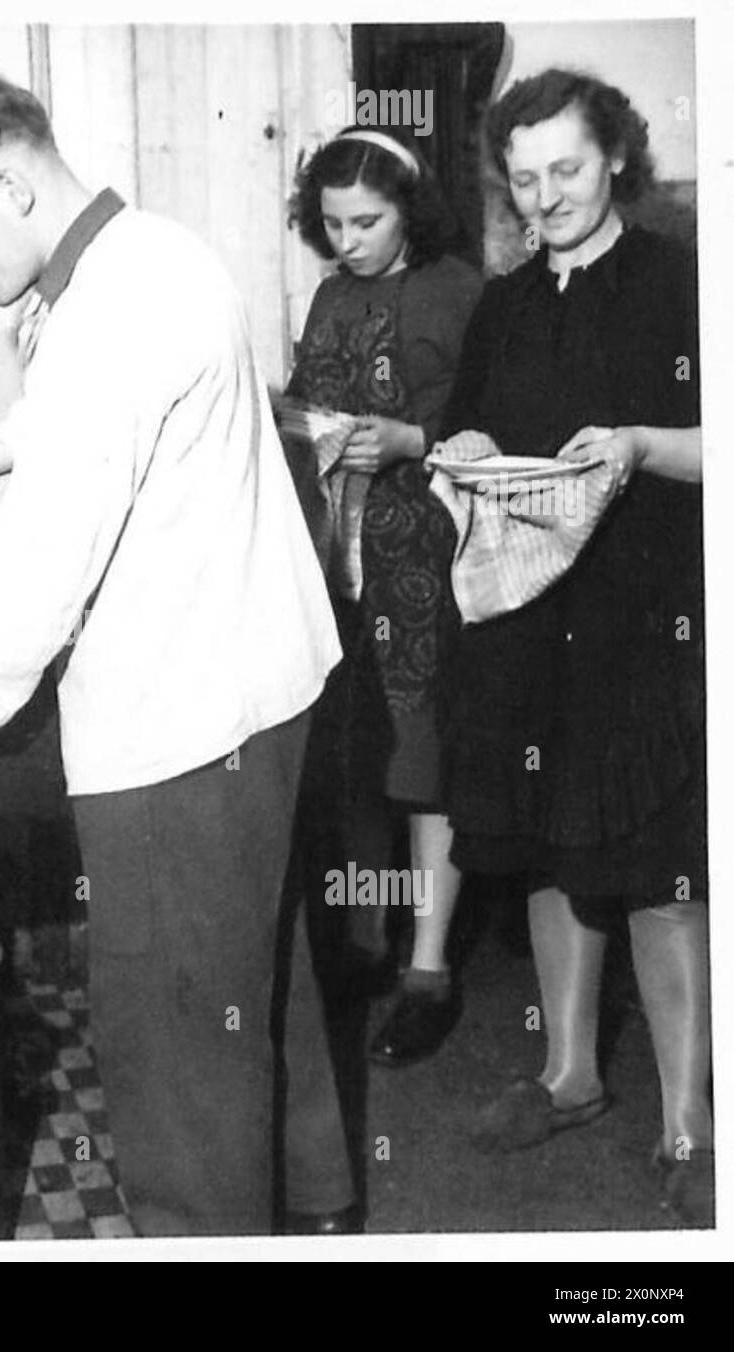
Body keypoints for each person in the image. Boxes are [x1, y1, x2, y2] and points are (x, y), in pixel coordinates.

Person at [0, 68, 348, 1236]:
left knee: (176, 1032)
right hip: (261, 688)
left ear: (7, 184)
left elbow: (49, 544)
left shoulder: (108, 307)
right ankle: (320, 1206)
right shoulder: (148, 255)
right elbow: (76, 421)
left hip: (184, 725)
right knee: (257, 980)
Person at [438, 69, 709, 1226]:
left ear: (614, 162)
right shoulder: (502, 303)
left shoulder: (681, 283)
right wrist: (465, 450)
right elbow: (465, 422)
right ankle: (571, 1074)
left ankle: (688, 1125)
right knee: (550, 843)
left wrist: (642, 442)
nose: (545, 193)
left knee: (652, 861)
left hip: (643, 615)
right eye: (524, 174)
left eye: (566, 168)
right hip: (523, 618)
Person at [277, 126, 482, 1065]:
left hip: (427, 555)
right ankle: (368, 944)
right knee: (355, 750)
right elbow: (300, 399)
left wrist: (409, 439)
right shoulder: (327, 296)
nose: (349, 240)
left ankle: (429, 970)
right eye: (332, 223)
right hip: (337, 557)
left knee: (424, 758)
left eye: (368, 220)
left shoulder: (459, 292)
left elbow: (501, 422)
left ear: (411, 210)